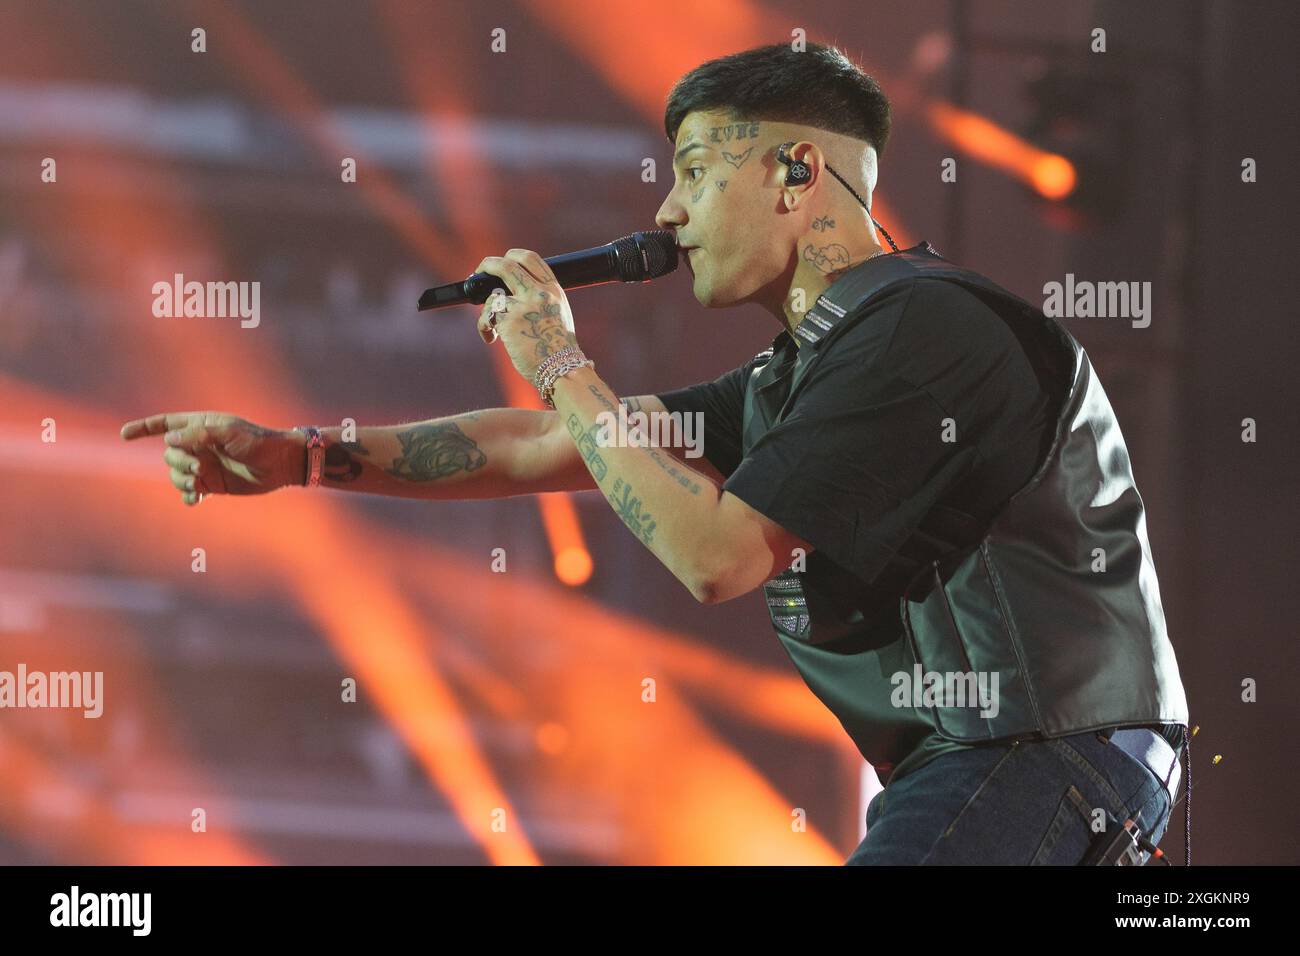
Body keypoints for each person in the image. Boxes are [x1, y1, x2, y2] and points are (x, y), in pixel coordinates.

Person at [120, 42, 1189, 865]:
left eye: (689, 169)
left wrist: (556, 357)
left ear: (796, 170)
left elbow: (714, 556)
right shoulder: (801, 373)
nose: (667, 211)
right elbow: (549, 439)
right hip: (1015, 764)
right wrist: (300, 455)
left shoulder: (918, 330)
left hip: (1042, 752)